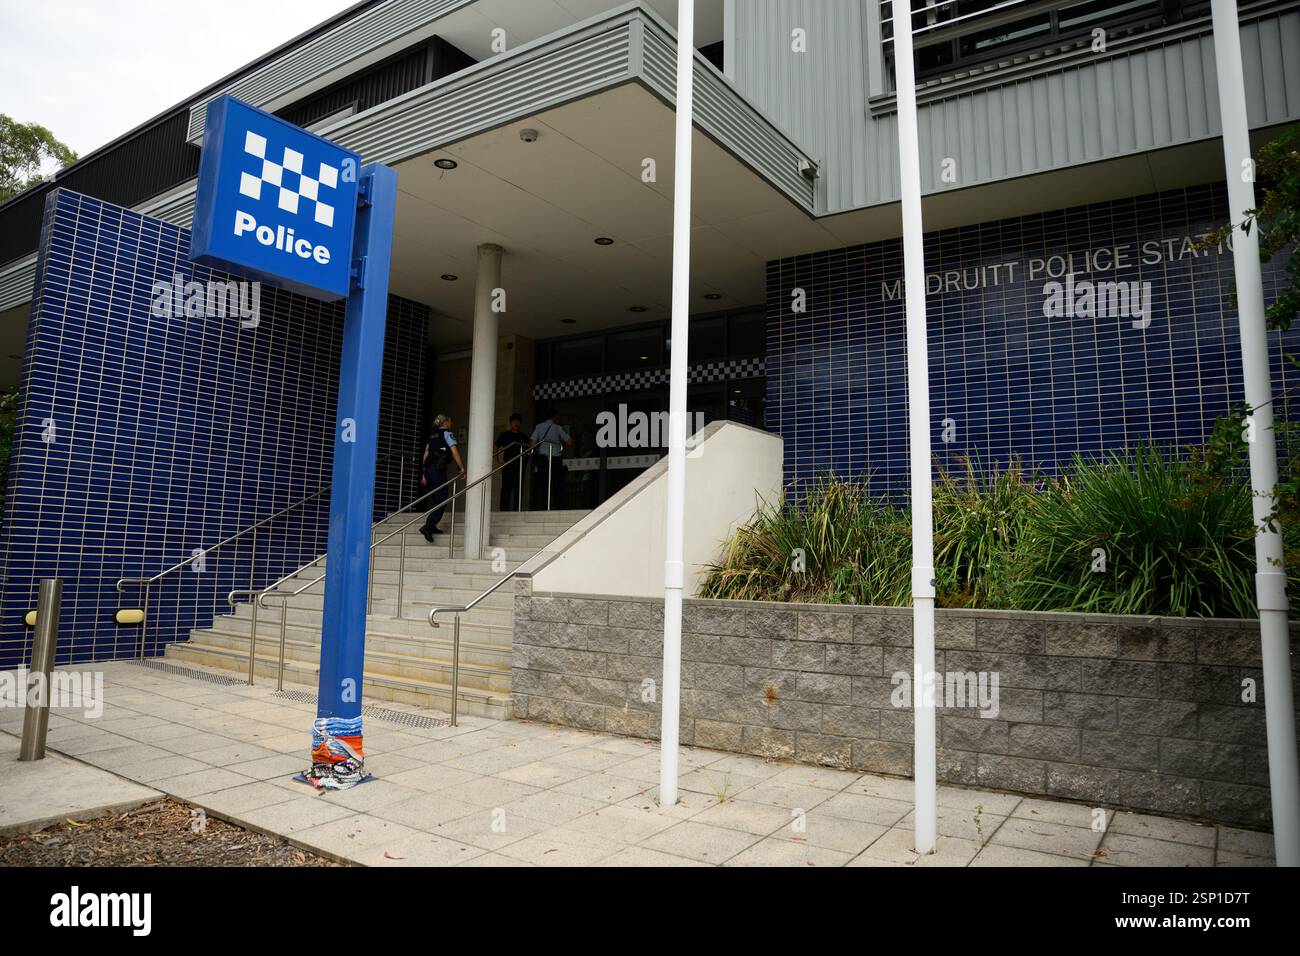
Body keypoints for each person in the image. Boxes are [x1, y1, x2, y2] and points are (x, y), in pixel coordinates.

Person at [419, 413, 464, 541]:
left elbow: (425, 455)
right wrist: (461, 468)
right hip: (438, 470)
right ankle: (429, 525)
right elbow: (454, 452)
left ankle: (432, 526)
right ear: (446, 423)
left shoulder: (431, 436)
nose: (451, 423)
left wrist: (423, 474)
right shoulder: (447, 434)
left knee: (437, 498)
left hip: (428, 470)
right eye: (450, 421)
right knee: (443, 497)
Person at [530, 411, 573, 510]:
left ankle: (544, 506)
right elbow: (569, 442)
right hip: (555, 459)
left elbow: (532, 443)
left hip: (543, 458)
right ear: (556, 417)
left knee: (544, 483)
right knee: (557, 483)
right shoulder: (558, 428)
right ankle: (559, 506)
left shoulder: (539, 426)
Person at [494, 413, 530, 511]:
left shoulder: (524, 436)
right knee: (506, 489)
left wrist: (526, 462)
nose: (516, 423)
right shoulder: (505, 435)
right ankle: (503, 511)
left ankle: (517, 510)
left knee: (518, 489)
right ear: (511, 423)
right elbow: (495, 447)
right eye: (514, 421)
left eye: (518, 422)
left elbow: (529, 450)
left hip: (520, 466)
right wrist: (498, 462)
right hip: (508, 465)